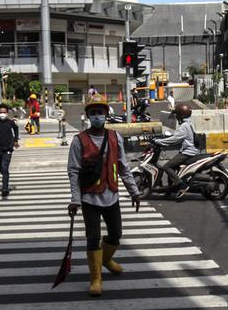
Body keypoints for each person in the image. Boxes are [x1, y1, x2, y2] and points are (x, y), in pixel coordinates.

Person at [67, 94, 141, 297]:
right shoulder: (79, 141)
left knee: (116, 235)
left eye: (101, 112)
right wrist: (75, 199)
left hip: (112, 196)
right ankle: (96, 278)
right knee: (93, 238)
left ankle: (106, 259)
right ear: (88, 116)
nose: (97, 115)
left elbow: (124, 167)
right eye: (93, 112)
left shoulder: (115, 137)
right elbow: (73, 170)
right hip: (90, 198)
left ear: (106, 114)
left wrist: (134, 192)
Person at [155, 103, 200, 200]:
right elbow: (178, 136)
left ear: (181, 115)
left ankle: (181, 185)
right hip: (190, 151)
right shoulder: (189, 124)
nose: (176, 117)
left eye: (177, 115)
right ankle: (170, 189)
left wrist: (159, 141)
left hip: (187, 153)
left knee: (166, 166)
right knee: (173, 167)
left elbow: (175, 139)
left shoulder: (184, 126)